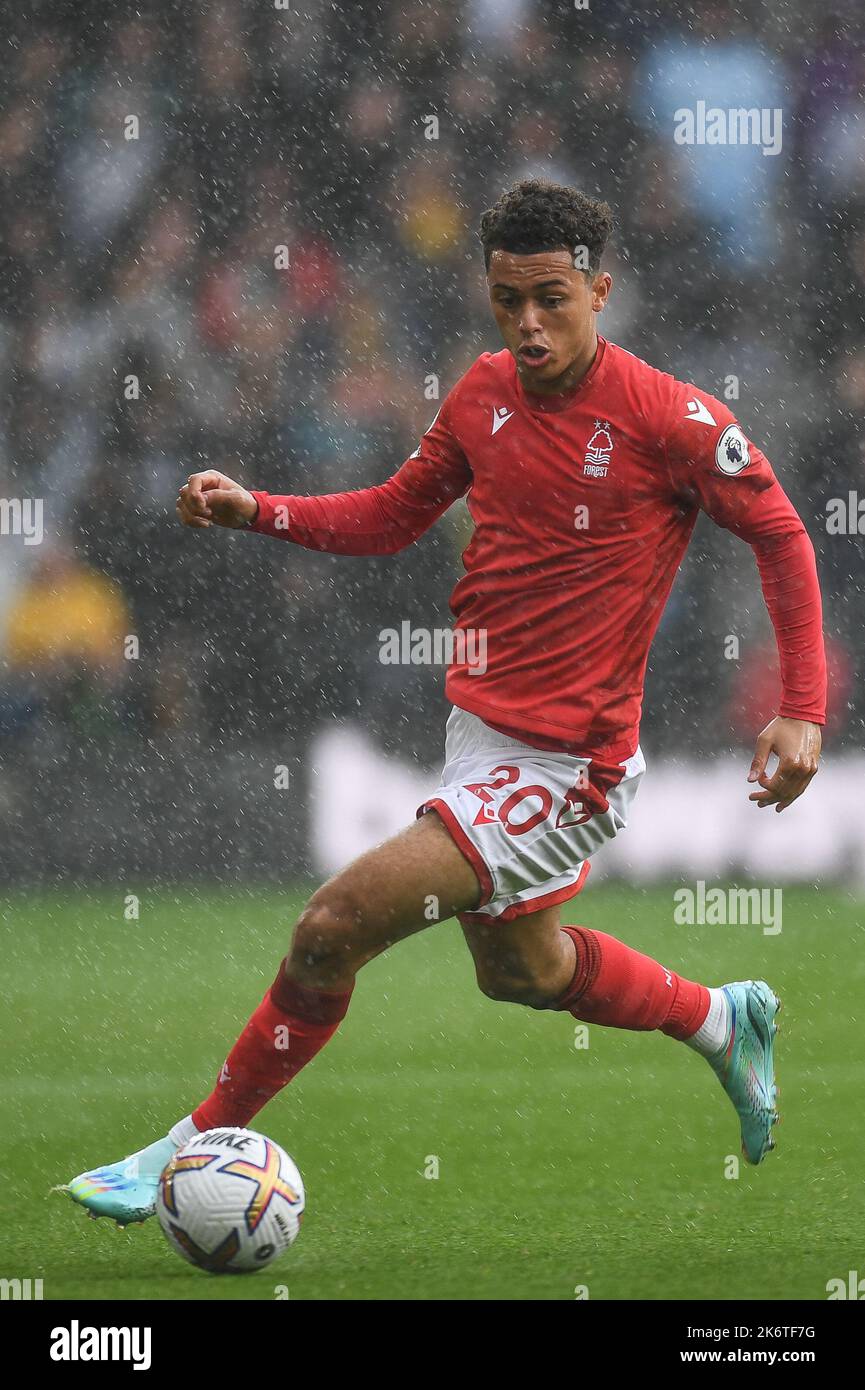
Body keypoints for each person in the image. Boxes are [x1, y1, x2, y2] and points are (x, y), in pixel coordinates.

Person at [66, 180, 825, 1227]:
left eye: (551, 297)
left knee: (331, 927)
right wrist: (260, 510)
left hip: (568, 772)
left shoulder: (668, 418)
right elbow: (389, 516)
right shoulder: (480, 393)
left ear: (600, 290)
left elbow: (782, 533)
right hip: (478, 739)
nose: (527, 322)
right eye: (506, 298)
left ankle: (182, 1150)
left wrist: (803, 709)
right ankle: (717, 1019)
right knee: (521, 970)